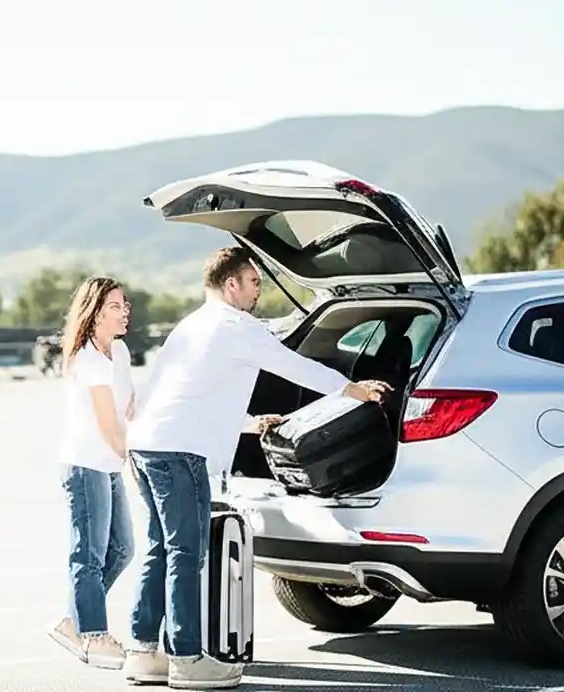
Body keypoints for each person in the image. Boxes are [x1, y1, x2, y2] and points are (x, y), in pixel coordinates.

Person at [121, 248, 391, 689]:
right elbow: (294, 366)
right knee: (186, 555)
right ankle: (187, 660)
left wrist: (248, 425)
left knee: (160, 549)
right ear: (231, 284)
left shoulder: (189, 326)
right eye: (253, 282)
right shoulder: (238, 326)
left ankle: (142, 651)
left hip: (147, 445)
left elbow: (178, 392)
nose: (257, 290)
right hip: (179, 453)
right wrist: (353, 390)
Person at [47, 276, 138, 670]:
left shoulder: (118, 351)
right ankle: (94, 635)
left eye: (125, 305)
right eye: (116, 306)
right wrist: (133, 459)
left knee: (121, 550)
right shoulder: (87, 358)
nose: (125, 311)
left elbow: (130, 406)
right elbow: (106, 422)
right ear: (96, 312)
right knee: (88, 555)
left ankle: (73, 621)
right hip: (86, 466)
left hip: (106, 465)